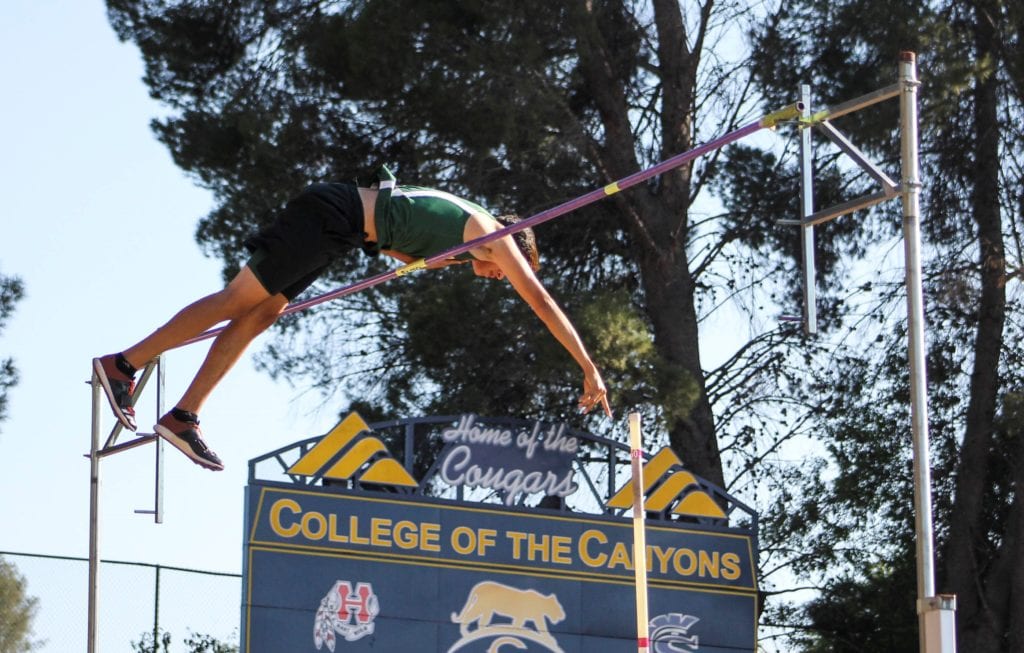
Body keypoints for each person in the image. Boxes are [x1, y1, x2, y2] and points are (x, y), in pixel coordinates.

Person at [93, 166, 611, 471]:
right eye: (510, 270)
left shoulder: (463, 243)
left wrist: (413, 258)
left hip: (341, 231)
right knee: (236, 300)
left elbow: (398, 226)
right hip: (331, 215)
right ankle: (124, 364)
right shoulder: (492, 234)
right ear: (513, 247)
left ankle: (182, 417)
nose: (502, 277)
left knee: (262, 313)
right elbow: (541, 303)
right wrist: (588, 368)